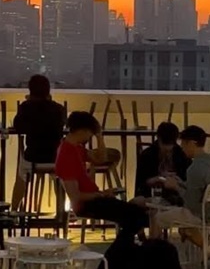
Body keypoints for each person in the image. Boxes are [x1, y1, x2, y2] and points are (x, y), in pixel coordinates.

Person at [55, 111, 149, 247]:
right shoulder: (67, 154)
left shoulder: (76, 148)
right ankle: (124, 249)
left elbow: (101, 159)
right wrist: (100, 194)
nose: (90, 137)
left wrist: (100, 137)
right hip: (87, 204)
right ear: (83, 130)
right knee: (137, 216)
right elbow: (75, 197)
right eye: (90, 133)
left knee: (135, 215)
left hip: (94, 198)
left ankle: (126, 248)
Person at [155, 125, 210, 269]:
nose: (182, 148)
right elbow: (199, 189)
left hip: (201, 213)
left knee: (158, 218)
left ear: (192, 143)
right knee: (185, 227)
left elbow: (190, 203)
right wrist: (181, 183)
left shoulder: (195, 168)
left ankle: (156, 261)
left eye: (183, 144)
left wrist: (175, 187)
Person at [10, 75, 66, 210]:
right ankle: (61, 211)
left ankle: (14, 210)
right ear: (48, 91)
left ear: (30, 90)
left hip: (32, 156)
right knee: (60, 179)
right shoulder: (59, 109)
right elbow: (63, 125)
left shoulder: (26, 107)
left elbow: (18, 126)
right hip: (54, 157)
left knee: (21, 176)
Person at [134, 122, 189, 201]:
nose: (167, 149)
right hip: (151, 196)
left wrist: (177, 181)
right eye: (164, 144)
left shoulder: (181, 155)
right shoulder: (148, 155)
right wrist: (155, 179)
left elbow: (188, 182)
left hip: (177, 198)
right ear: (159, 139)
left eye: (170, 144)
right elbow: (140, 184)